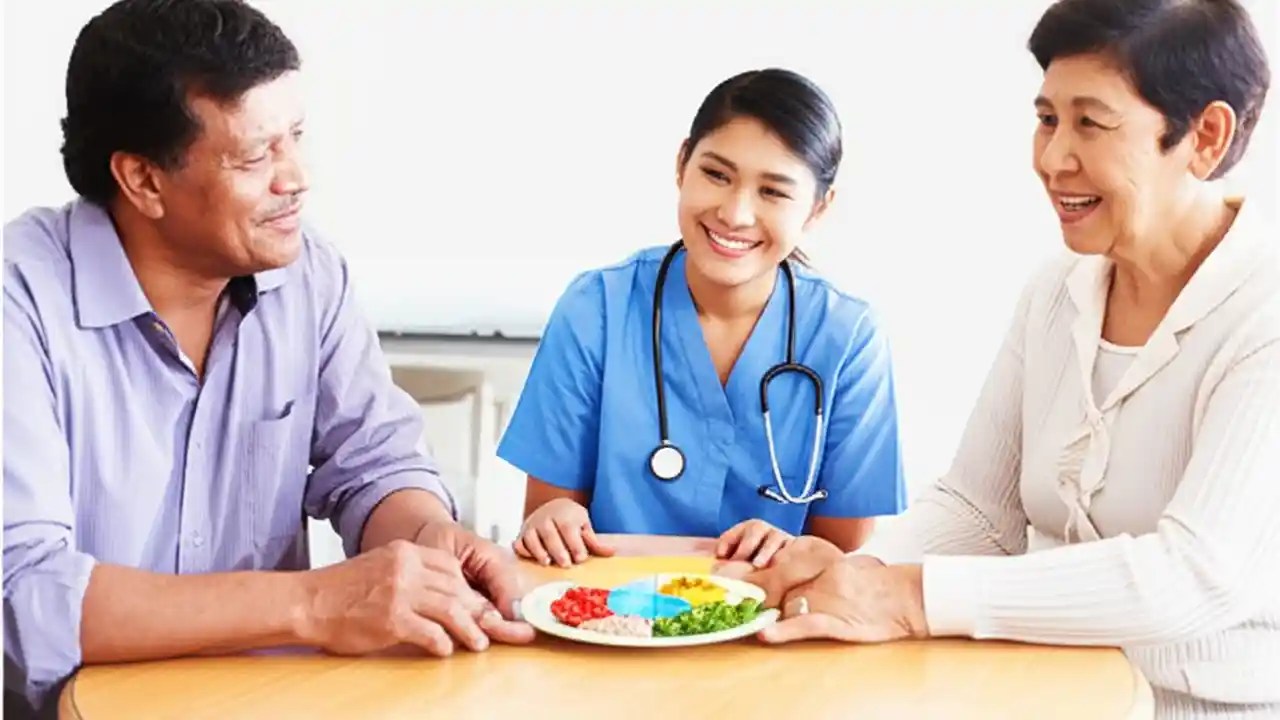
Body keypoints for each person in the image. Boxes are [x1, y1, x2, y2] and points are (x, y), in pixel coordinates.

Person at [719, 1, 1277, 717]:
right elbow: (981, 512)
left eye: (1091, 124)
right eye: (1046, 119)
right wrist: (855, 571)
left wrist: (909, 596)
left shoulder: (1264, 316)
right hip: (1042, 694)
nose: (1052, 159)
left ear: (1204, 135)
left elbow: (1195, 577)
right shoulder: (1056, 293)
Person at [2, 1, 533, 716]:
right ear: (143, 180)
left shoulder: (308, 273)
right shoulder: (20, 300)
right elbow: (25, 598)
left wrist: (429, 541)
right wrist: (314, 602)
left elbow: (374, 467)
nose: (297, 179)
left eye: (297, 139)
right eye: (256, 157)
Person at [495, 68, 907, 570]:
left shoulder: (848, 336)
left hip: (773, 624)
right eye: (716, 174)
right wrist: (552, 523)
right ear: (681, 164)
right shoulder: (596, 308)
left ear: (818, 209)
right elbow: (550, 514)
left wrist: (790, 548)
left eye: (773, 192)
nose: (735, 214)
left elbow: (843, 550)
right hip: (610, 618)